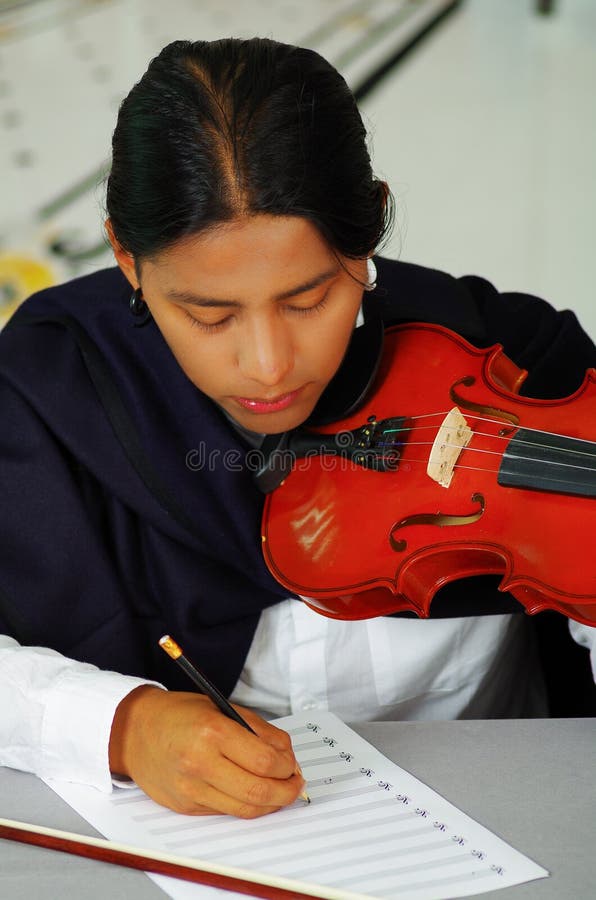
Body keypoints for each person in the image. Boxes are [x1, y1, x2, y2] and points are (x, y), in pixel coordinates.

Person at [0, 37, 595, 820]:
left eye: (308, 300)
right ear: (127, 259)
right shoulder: (43, 387)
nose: (269, 365)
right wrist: (120, 726)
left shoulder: (513, 361)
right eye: (208, 315)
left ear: (367, 234)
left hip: (515, 829)